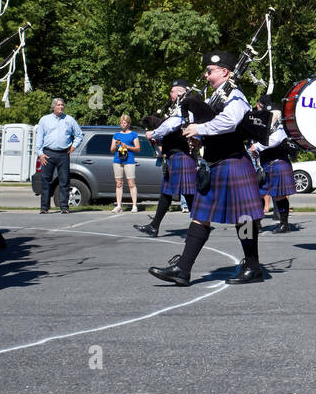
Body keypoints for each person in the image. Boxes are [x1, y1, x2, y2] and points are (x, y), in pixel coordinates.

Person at [146, 50, 265, 286]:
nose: (206, 75)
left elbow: (229, 122)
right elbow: (214, 125)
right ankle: (183, 269)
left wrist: (200, 130)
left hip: (233, 163)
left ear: (225, 72)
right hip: (215, 164)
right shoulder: (214, 99)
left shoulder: (236, 96)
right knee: (200, 216)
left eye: (210, 71)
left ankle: (253, 266)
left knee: (244, 218)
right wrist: (200, 139)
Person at [138, 81, 198, 238]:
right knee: (167, 192)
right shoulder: (178, 108)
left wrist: (154, 133)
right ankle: (154, 226)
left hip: (182, 155)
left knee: (189, 193)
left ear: (179, 93)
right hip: (175, 156)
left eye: (172, 91)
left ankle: (198, 227)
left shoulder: (185, 108)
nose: (170, 95)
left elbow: (170, 126)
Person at [252, 98, 296, 234]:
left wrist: (257, 147)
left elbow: (274, 141)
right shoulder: (265, 128)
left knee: (280, 196)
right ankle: (257, 224)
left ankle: (284, 224)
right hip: (266, 165)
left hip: (278, 164)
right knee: (257, 194)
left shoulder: (281, 127)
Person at [34, 97, 84, 214]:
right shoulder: (44, 120)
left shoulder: (69, 120)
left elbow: (79, 135)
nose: (61, 107)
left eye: (62, 105)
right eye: (59, 105)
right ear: (53, 107)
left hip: (63, 154)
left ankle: (64, 207)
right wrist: (40, 154)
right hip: (48, 153)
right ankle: (44, 207)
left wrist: (73, 146)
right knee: (46, 180)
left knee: (64, 180)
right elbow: (39, 139)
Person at [111, 113, 141, 213]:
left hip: (129, 160)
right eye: (121, 123)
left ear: (128, 124)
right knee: (119, 183)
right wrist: (116, 145)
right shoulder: (116, 135)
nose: (123, 124)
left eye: (125, 123)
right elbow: (111, 150)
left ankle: (134, 205)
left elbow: (137, 148)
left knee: (131, 183)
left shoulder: (133, 134)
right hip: (117, 160)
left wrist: (127, 146)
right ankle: (119, 205)